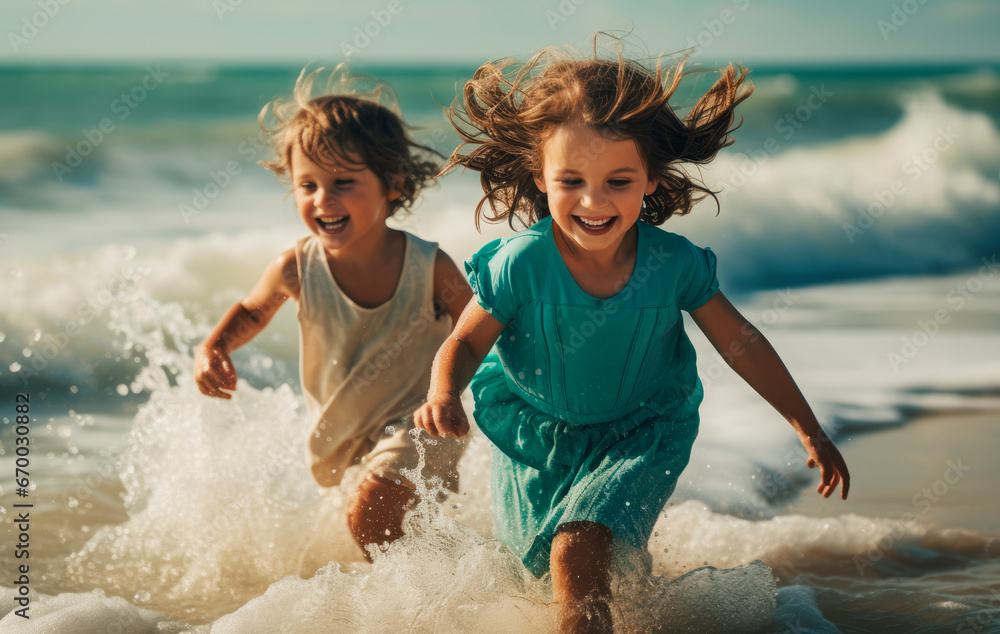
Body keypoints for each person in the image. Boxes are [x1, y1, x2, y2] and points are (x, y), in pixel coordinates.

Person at [414, 46, 850, 632]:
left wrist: (808, 427)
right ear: (540, 177)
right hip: (534, 430)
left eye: (618, 181)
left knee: (577, 547)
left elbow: (740, 343)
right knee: (537, 577)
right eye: (571, 180)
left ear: (650, 178)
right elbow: (465, 344)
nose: (594, 202)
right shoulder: (521, 264)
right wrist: (444, 394)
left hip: (644, 428)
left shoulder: (673, 265)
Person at [193, 65, 472, 561]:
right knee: (387, 529)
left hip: (423, 422)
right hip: (343, 435)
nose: (324, 199)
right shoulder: (296, 268)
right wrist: (215, 347)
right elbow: (253, 312)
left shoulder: (428, 266)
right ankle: (437, 596)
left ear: (393, 184)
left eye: (344, 182)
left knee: (371, 515)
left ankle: (407, 608)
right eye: (308, 185)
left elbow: (479, 325)